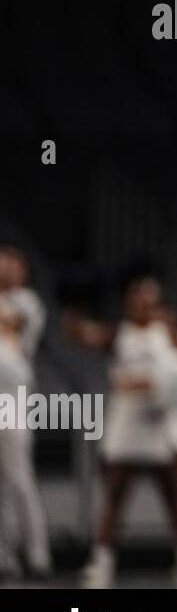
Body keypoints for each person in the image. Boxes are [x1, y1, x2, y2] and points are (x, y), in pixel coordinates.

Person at [82, 276, 177, 588]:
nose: (145, 307)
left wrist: (174, 332)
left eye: (152, 302)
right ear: (128, 303)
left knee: (176, 497)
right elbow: (85, 337)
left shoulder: (168, 332)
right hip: (126, 423)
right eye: (139, 301)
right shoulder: (118, 333)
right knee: (115, 496)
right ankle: (102, 564)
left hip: (160, 423)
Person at [0, 246, 50, 581]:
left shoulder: (27, 300)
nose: (5, 267)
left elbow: (11, 325)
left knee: (19, 475)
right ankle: (5, 557)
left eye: (12, 263)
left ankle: (37, 553)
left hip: (11, 395)